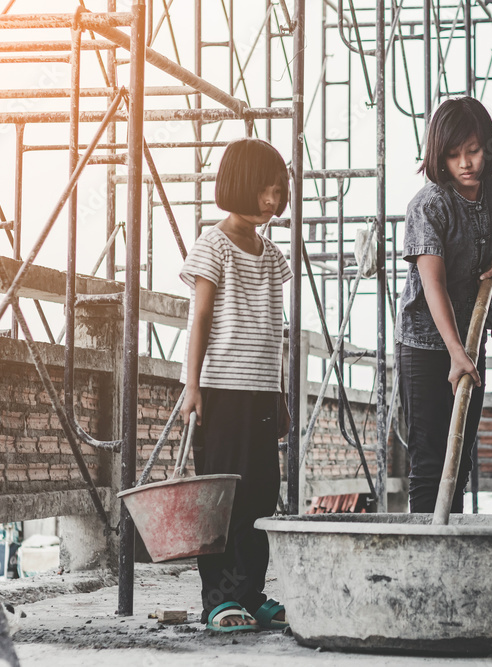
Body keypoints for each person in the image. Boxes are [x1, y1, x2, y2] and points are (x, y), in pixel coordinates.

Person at [396, 96, 492, 514]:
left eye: (474, 151)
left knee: (459, 458)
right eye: (453, 154)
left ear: (489, 148)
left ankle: (452, 551)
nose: (466, 163)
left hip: (471, 339)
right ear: (438, 156)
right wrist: (456, 353)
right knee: (430, 460)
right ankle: (428, 560)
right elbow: (433, 283)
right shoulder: (429, 205)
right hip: (427, 342)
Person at [179, 137, 291, 633]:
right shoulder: (214, 244)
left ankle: (251, 593)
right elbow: (199, 316)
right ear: (242, 187)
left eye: (279, 191)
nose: (273, 201)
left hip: (263, 395)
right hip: (221, 392)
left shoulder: (271, 255)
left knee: (261, 495)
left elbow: (276, 330)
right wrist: (192, 384)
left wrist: (282, 393)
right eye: (267, 191)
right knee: (220, 500)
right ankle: (217, 600)